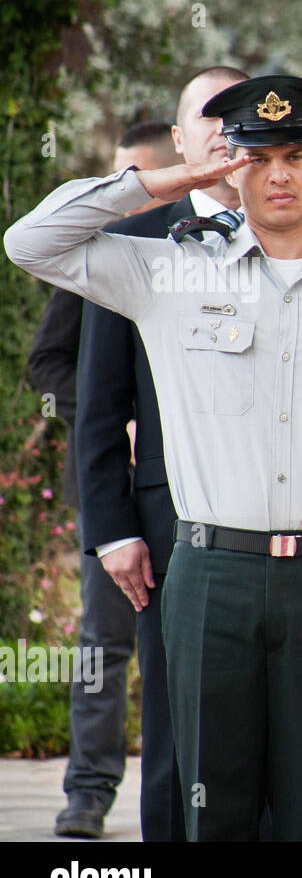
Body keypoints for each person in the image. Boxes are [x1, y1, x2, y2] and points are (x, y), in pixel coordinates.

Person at [5, 74, 302, 841]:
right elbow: (30, 241)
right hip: (213, 577)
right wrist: (162, 182)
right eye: (257, 157)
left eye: (294, 155)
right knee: (211, 808)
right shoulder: (167, 273)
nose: (277, 174)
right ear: (228, 168)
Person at [74, 67, 302, 842]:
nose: (223, 136)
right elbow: (100, 402)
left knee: (296, 757)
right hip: (174, 535)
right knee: (184, 746)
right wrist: (112, 528)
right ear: (183, 141)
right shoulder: (137, 243)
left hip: (301, 548)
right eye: (206, 120)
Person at [26, 120, 178, 839]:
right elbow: (48, 362)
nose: (114, 199)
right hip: (109, 486)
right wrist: (112, 418)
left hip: (196, 495)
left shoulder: (189, 249)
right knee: (104, 641)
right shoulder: (95, 260)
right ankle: (87, 791)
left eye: (133, 179)